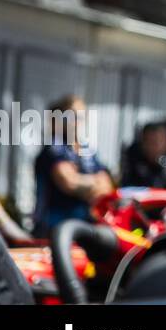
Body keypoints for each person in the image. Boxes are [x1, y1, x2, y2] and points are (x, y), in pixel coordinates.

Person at [31, 95, 114, 237]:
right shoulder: (53, 148)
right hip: (54, 230)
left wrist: (85, 183)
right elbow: (69, 182)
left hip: (85, 227)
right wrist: (94, 184)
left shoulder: (86, 150)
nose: (77, 121)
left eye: (81, 116)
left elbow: (107, 185)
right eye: (72, 116)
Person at [120, 122, 166, 189]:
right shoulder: (132, 166)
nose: (156, 147)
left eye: (160, 142)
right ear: (143, 143)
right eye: (151, 142)